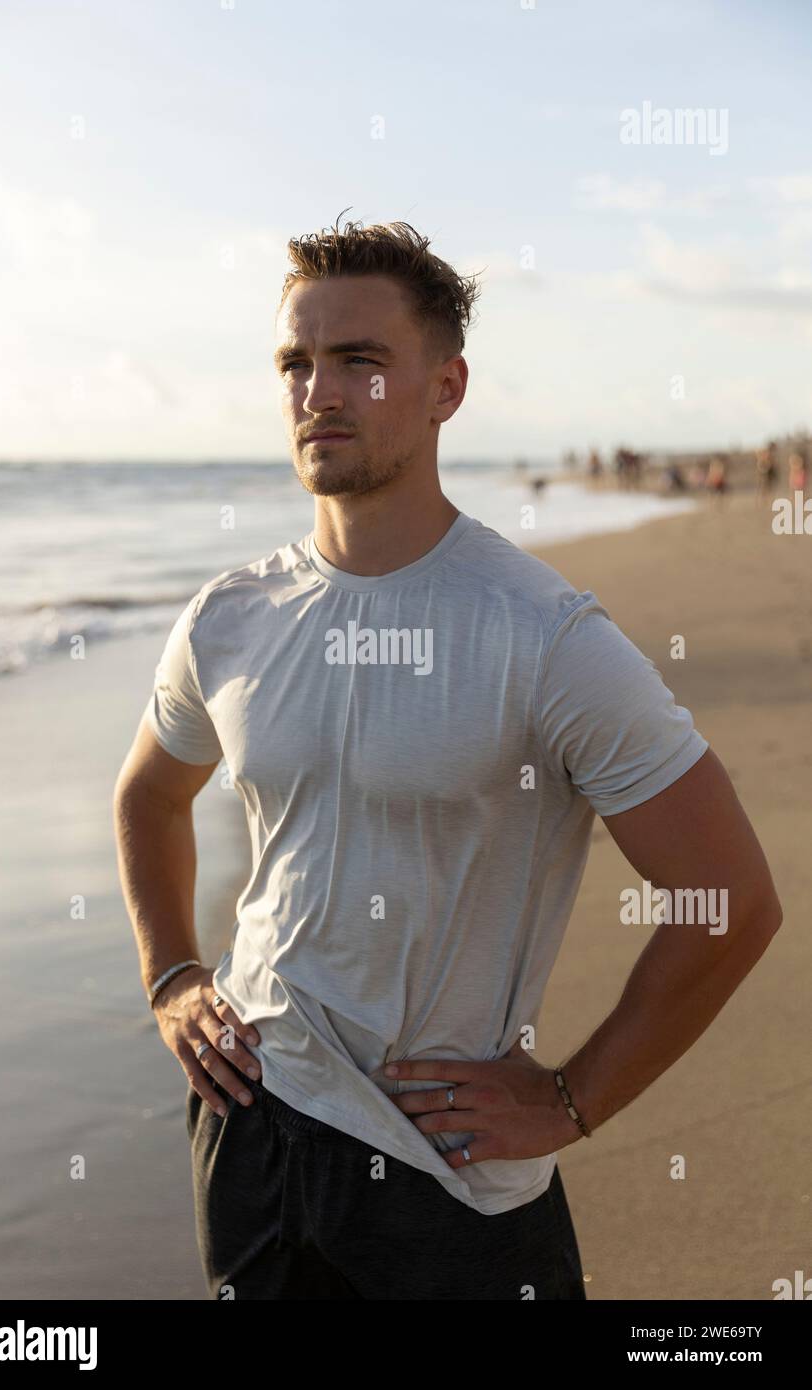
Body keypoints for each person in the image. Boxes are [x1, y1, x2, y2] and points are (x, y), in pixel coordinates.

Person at [113, 216, 783, 1301]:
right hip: (247, 1125)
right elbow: (148, 794)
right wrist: (173, 974)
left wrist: (571, 1099)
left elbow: (730, 897)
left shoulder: (543, 635)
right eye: (297, 361)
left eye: (360, 361)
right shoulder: (228, 616)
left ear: (445, 388)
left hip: (447, 1173)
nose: (317, 391)